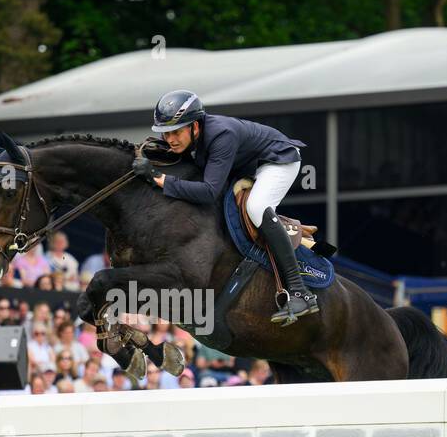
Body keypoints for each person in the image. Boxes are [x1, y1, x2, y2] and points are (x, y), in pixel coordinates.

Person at [133, 90, 317, 325]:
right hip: (248, 164)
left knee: (257, 207)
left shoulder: (222, 135)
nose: (171, 139)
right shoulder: (193, 137)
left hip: (278, 160)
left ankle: (300, 291)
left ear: (195, 127)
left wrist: (160, 179)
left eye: (176, 132)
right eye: (166, 133)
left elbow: (209, 192)